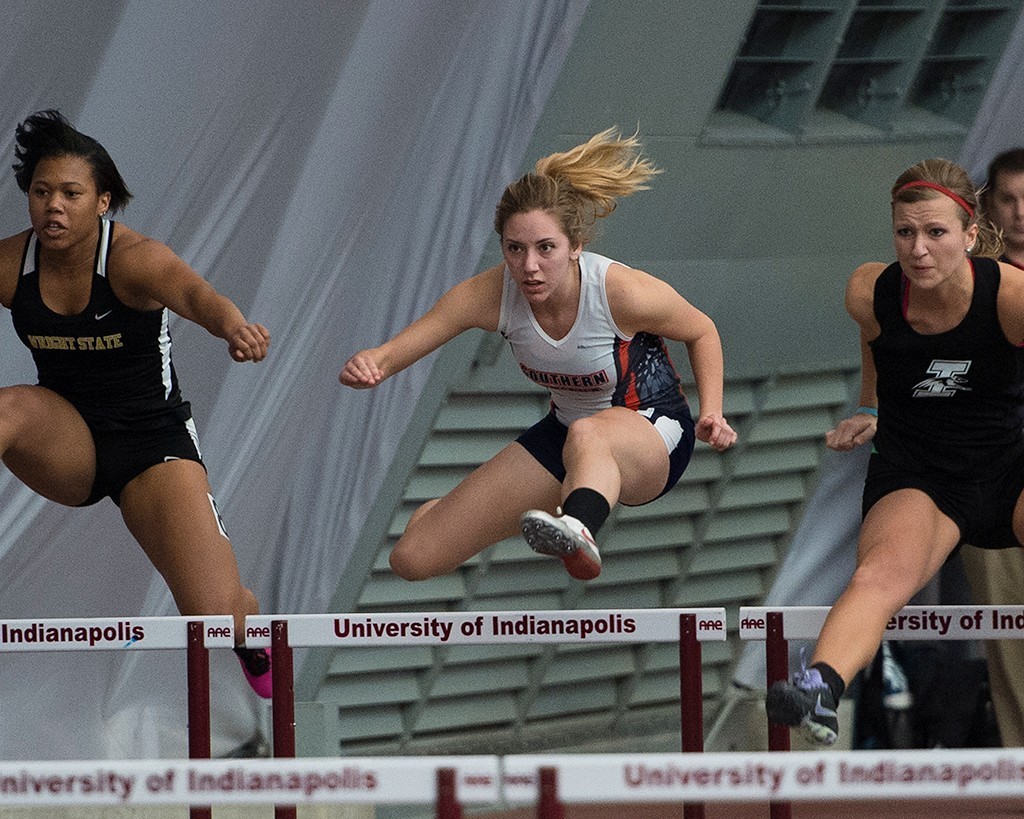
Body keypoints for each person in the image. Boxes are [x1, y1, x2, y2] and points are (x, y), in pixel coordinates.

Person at [340, 128, 736, 582]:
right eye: (515, 249)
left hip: (653, 431)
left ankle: (579, 528)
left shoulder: (620, 292)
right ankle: (526, 514)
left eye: (545, 248)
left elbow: (702, 330)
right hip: (565, 433)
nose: (529, 266)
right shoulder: (491, 294)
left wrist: (714, 412)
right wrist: (373, 362)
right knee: (412, 559)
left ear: (575, 247)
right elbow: (401, 347)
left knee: (591, 434)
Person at [0, 110, 273, 697]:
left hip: (153, 446)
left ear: (102, 202)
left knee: (214, 618)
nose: (54, 207)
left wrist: (233, 327)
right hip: (68, 437)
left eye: (71, 194)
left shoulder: (132, 259)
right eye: (41, 192)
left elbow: (198, 294)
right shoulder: (10, 264)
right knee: (8, 408)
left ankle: (243, 607)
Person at [765, 157, 1024, 746]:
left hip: (1008, 468)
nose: (919, 249)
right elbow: (876, 339)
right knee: (881, 574)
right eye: (905, 233)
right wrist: (869, 405)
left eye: (936, 233)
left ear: (971, 235)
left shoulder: (1009, 298)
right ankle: (819, 687)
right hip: (920, 476)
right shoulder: (870, 290)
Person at [958, 147, 1024, 747]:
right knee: (1007, 629)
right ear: (988, 207)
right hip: (992, 475)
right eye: (1009, 198)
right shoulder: (965, 282)